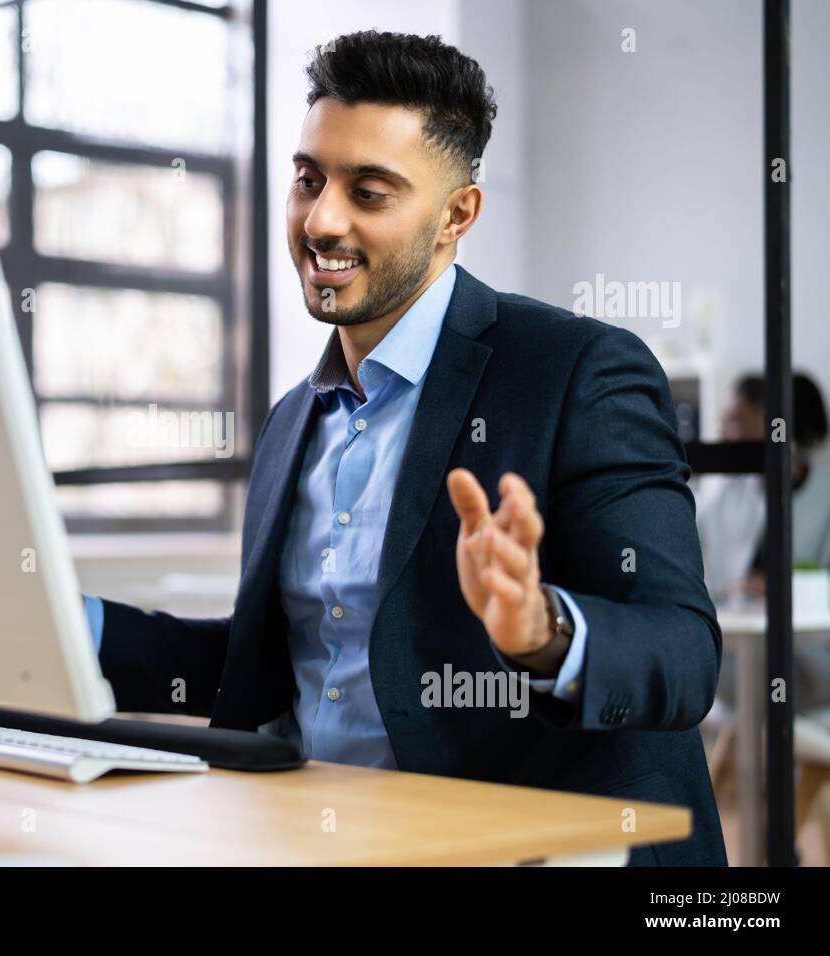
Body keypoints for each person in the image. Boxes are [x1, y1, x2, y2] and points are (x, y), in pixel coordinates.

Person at [84, 31, 724, 865]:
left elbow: (681, 652)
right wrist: (71, 623)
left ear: (458, 214)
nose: (321, 220)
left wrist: (542, 633)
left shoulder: (578, 372)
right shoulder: (294, 421)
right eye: (308, 178)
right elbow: (271, 662)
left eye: (369, 191)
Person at [697, 373, 830, 602]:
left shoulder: (822, 493)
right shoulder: (722, 492)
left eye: (735, 421)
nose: (725, 436)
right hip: (733, 625)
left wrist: (782, 587)